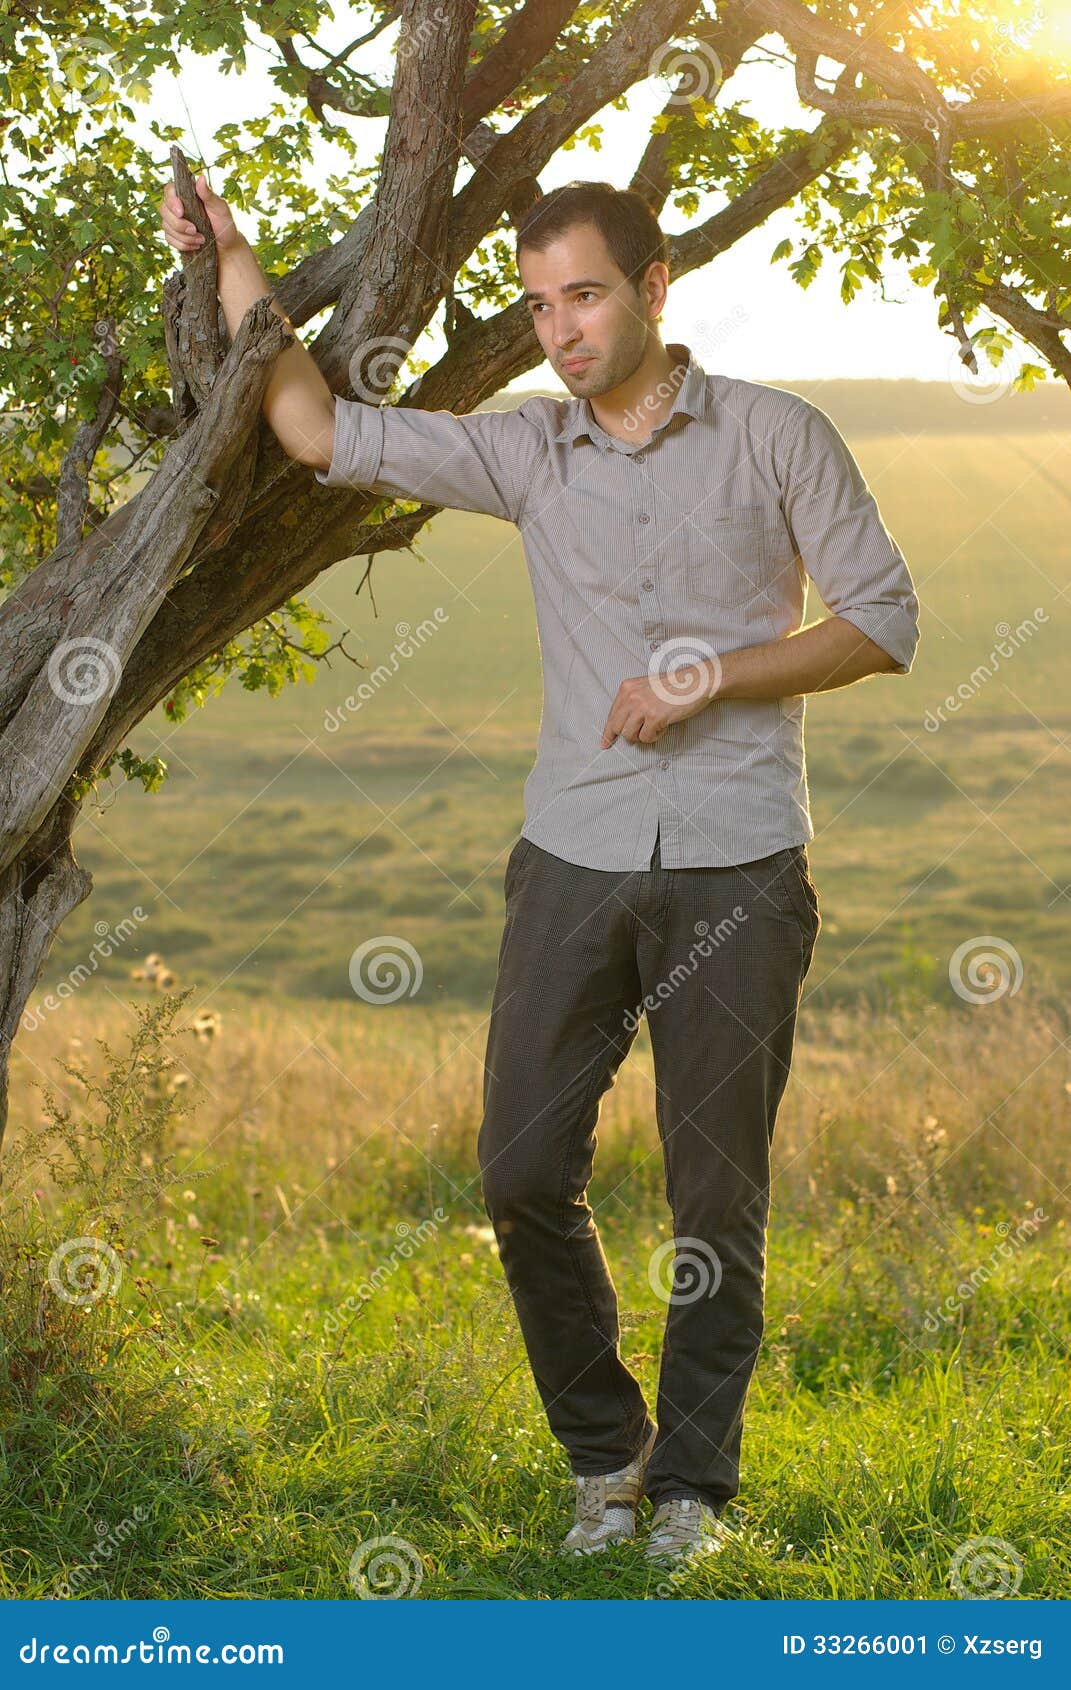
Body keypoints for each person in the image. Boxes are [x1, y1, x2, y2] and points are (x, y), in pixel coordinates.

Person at [160, 175, 920, 1565]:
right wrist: (236, 262)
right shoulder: (526, 452)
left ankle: (691, 1490)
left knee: (716, 1199)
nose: (560, 331)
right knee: (518, 1168)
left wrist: (705, 677)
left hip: (740, 864)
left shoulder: (776, 434)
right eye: (539, 307)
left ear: (654, 286)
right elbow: (316, 428)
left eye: (585, 296)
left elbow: (882, 619)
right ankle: (605, 1457)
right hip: (572, 855)